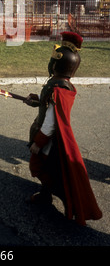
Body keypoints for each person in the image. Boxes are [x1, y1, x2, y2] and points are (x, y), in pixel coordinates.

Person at [24, 32, 102, 226]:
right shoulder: (57, 84)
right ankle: (45, 194)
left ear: (58, 65)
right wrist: (35, 100)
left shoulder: (60, 89)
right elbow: (48, 106)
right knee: (48, 169)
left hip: (49, 140)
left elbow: (51, 121)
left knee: (44, 169)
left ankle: (67, 202)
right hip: (47, 136)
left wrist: (38, 143)